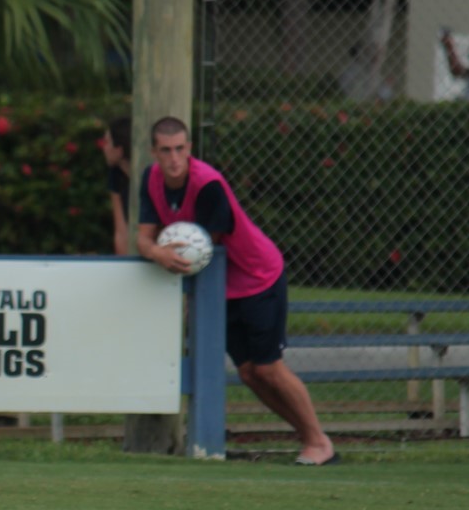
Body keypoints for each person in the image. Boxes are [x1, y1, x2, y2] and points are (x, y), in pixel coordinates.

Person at [136, 116, 337, 466]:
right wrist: (156, 252)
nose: (174, 158)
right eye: (166, 150)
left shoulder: (208, 185)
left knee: (269, 368)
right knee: (249, 373)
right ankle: (309, 439)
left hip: (258, 277)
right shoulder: (151, 180)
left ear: (190, 149)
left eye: (180, 149)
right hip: (222, 291)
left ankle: (319, 441)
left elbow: (202, 250)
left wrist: (182, 287)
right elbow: (144, 237)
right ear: (154, 151)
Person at [100, 116, 131, 256]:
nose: (104, 148)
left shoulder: (152, 176)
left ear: (119, 150)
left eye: (107, 142)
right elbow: (121, 230)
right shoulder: (115, 174)